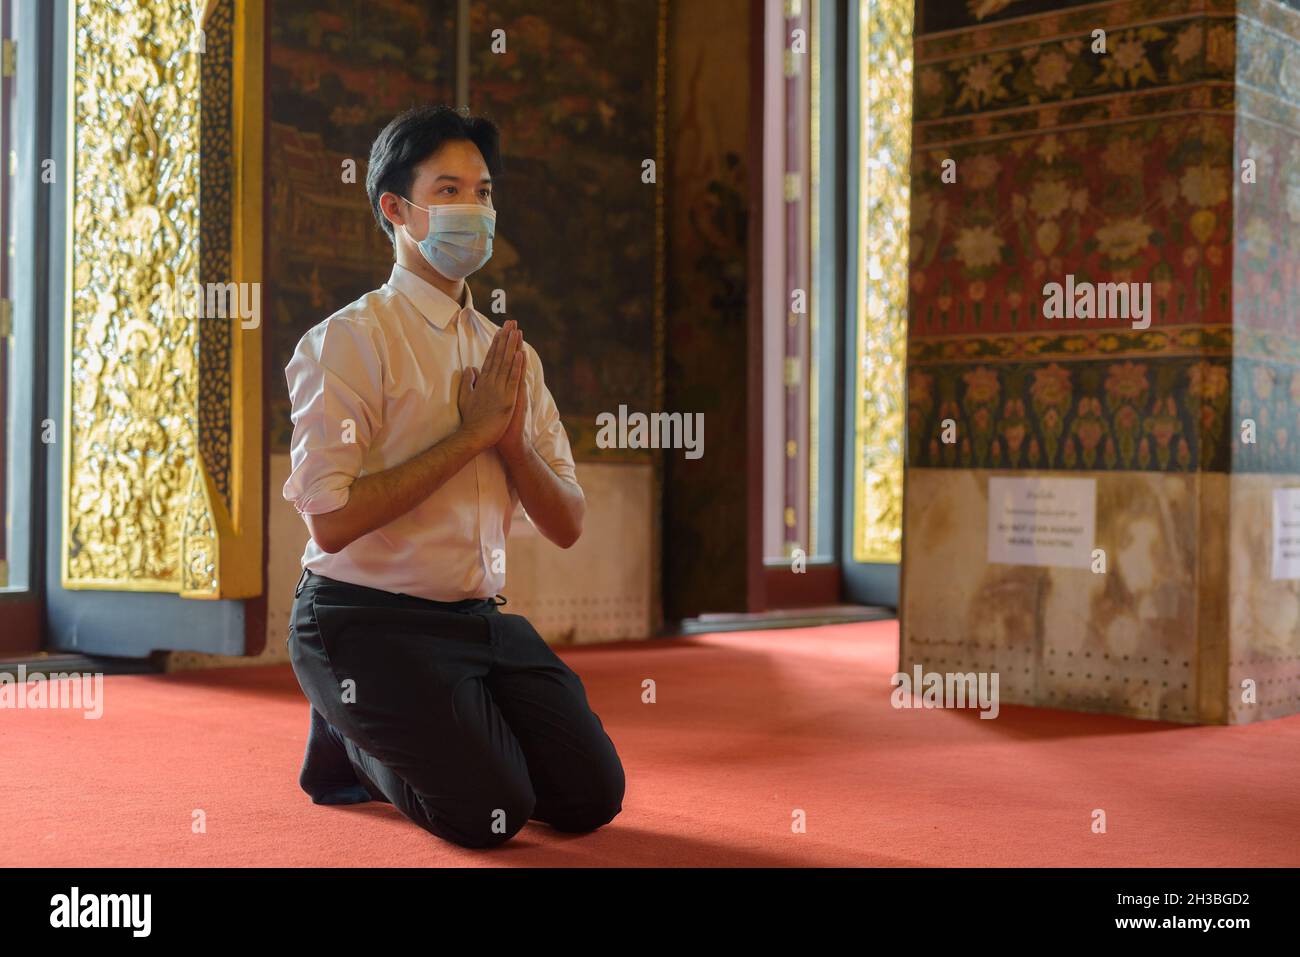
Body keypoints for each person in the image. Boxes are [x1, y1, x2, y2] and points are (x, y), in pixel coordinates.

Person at [281, 105, 625, 849]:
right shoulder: (349, 342)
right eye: (449, 190)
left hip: (475, 620)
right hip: (359, 618)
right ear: (396, 209)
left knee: (590, 796)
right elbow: (329, 520)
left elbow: (566, 523)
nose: (474, 209)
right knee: (487, 813)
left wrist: (509, 442)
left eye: (484, 191)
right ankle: (349, 738)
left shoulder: (511, 357)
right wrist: (471, 436)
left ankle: (423, 719)